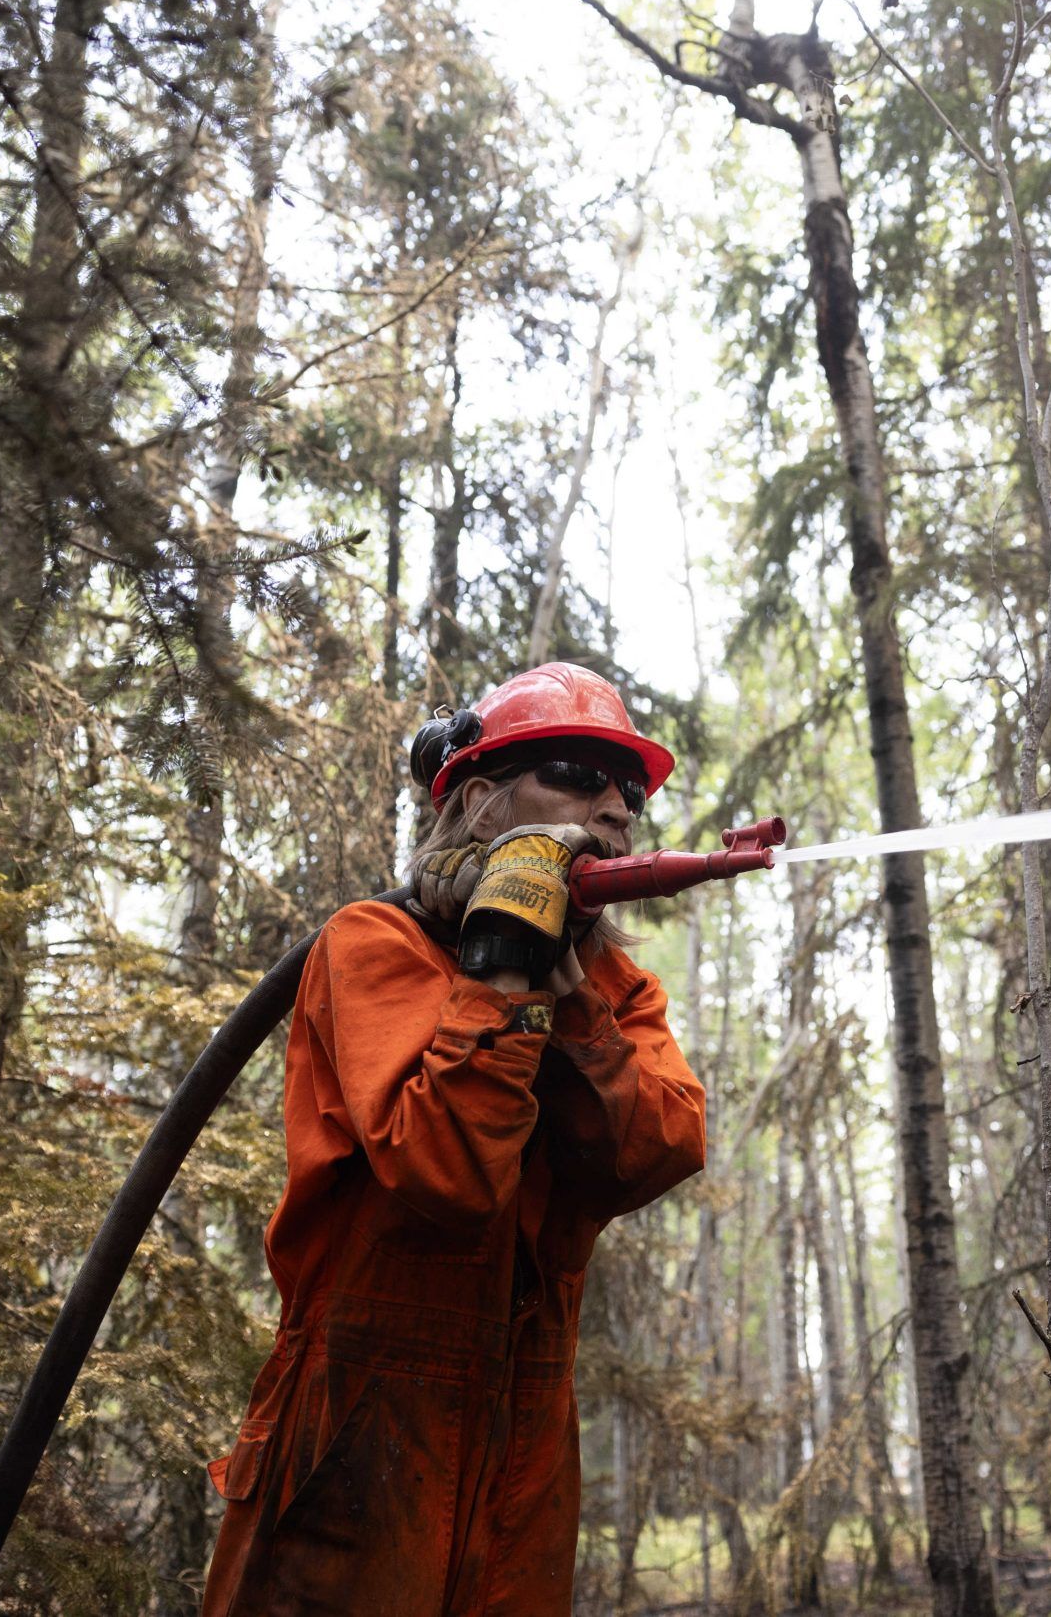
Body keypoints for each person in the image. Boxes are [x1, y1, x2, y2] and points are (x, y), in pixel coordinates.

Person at [200, 663, 708, 1616]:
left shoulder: (617, 992)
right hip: (353, 1441)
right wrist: (503, 966)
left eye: (630, 792)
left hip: (527, 1458)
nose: (616, 808)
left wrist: (567, 996)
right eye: (577, 773)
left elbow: (655, 1149)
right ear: (479, 802)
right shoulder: (372, 944)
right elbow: (447, 1169)